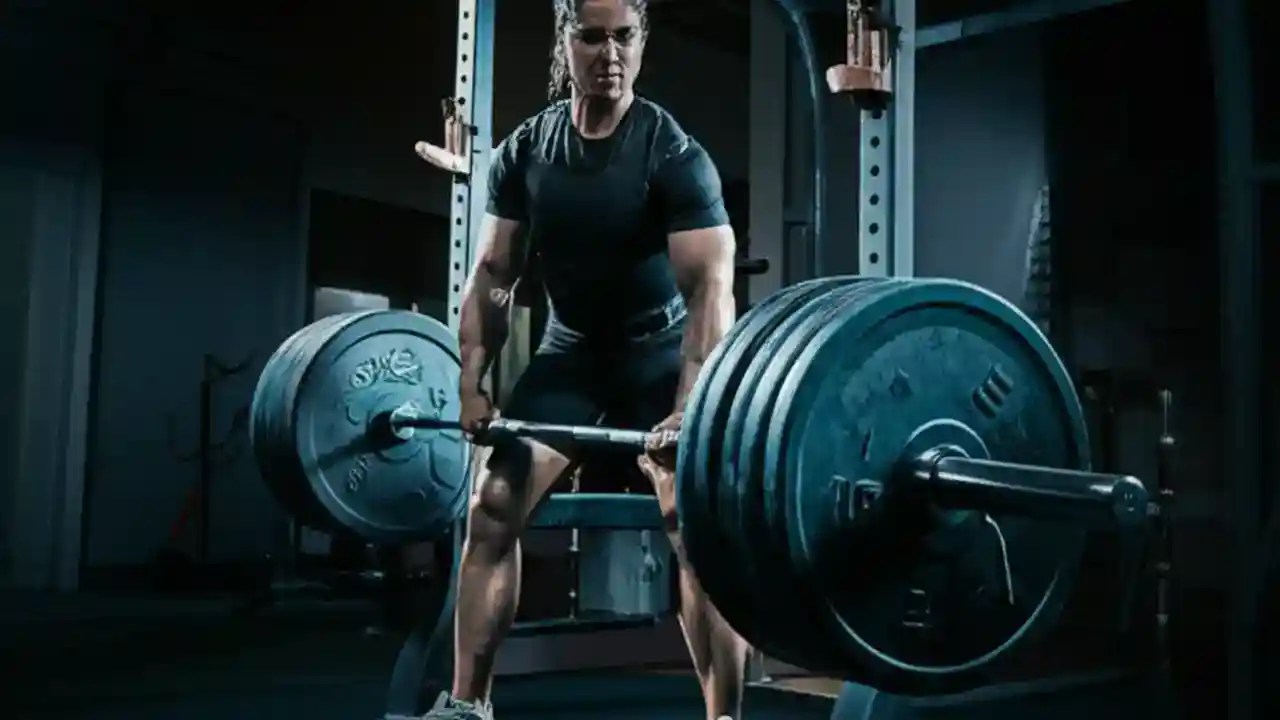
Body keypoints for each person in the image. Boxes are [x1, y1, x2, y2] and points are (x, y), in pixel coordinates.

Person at [412, 0, 749, 718]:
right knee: (493, 503)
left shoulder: (673, 154)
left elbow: (710, 296)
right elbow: (494, 276)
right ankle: (468, 704)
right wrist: (472, 385)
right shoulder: (527, 153)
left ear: (642, 40)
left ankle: (725, 717)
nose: (609, 54)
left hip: (660, 357)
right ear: (564, 41)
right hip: (570, 354)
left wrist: (690, 408)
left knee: (696, 528)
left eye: (623, 36)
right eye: (590, 36)